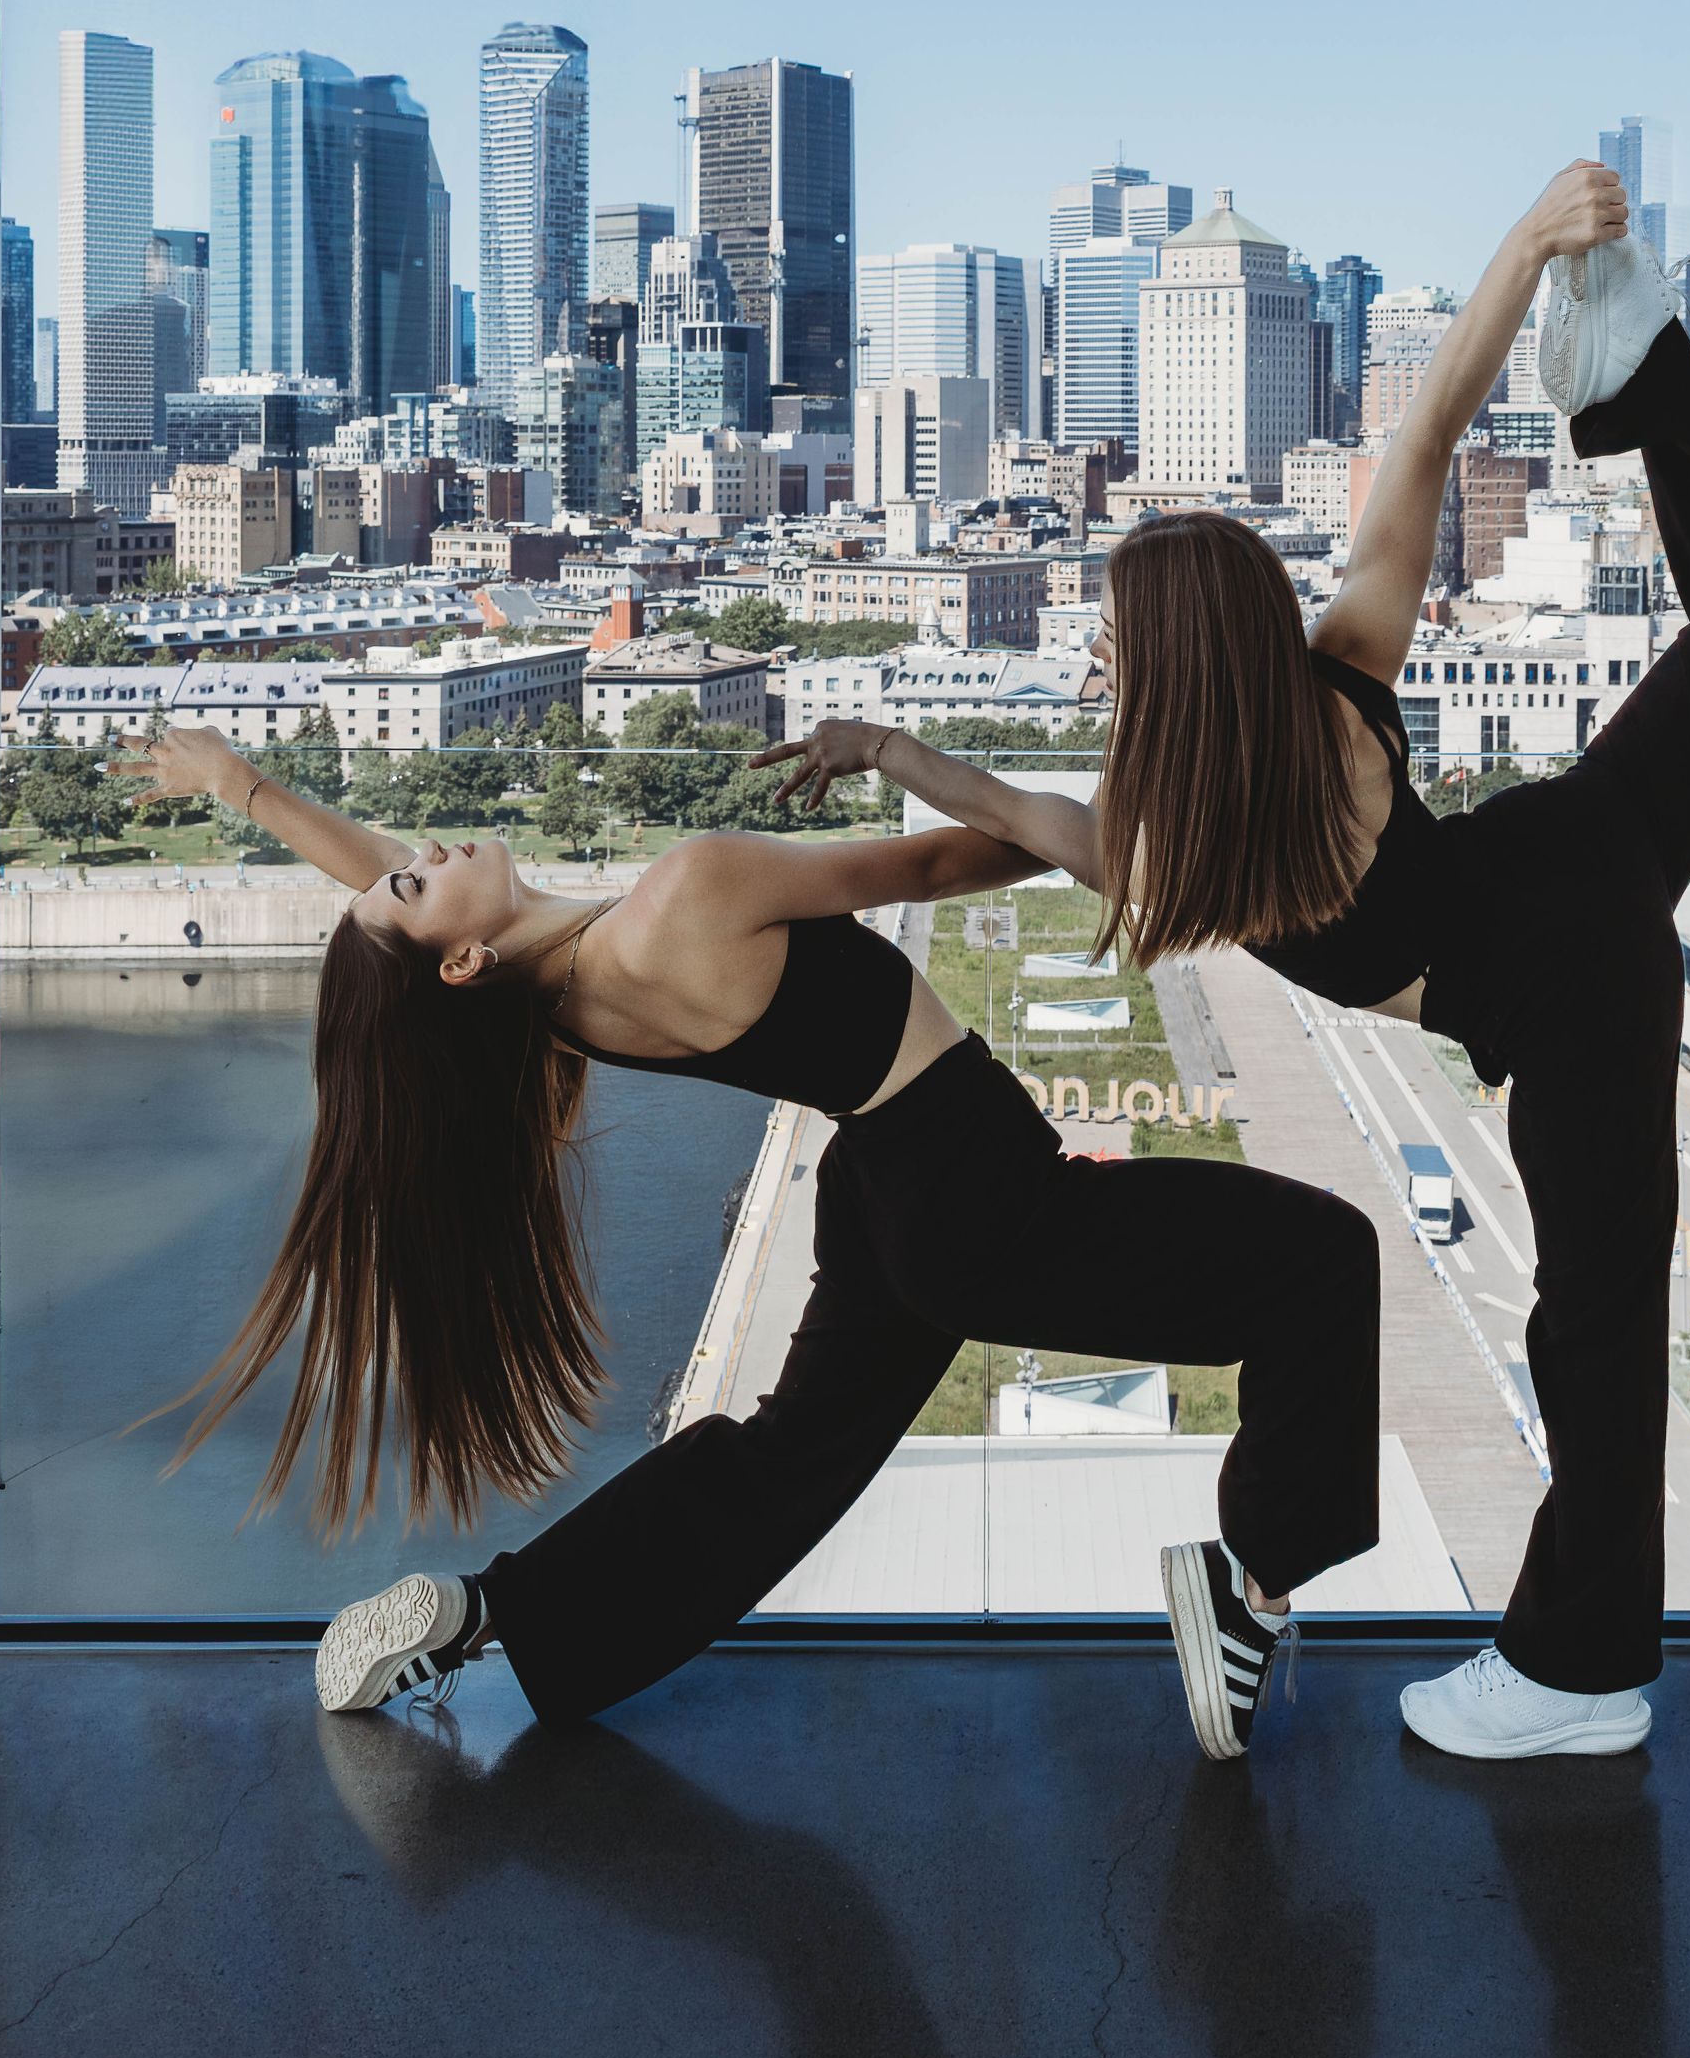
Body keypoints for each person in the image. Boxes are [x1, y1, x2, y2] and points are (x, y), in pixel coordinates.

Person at [763, 162, 1690, 1760]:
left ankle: (1580, 1675)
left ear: (1165, 663)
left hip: (1573, 980)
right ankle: (1647, 379)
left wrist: (880, 746)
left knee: (1591, 1322)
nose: (1098, 654)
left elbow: (1002, 808)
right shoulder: (1336, 676)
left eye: (1113, 637)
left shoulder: (1160, 838)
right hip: (1575, 848)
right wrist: (1527, 245)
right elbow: (1428, 432)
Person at [111, 722, 1380, 1761]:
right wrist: (1047, 818)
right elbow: (935, 870)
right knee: (1321, 1261)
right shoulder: (686, 894)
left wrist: (243, 785)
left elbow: (385, 910)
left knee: (780, 1463)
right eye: (414, 879)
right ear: (461, 956)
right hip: (975, 1186)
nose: (420, 850)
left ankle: (488, 1611)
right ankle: (1252, 1586)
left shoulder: (542, 1000)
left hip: (883, 1188)